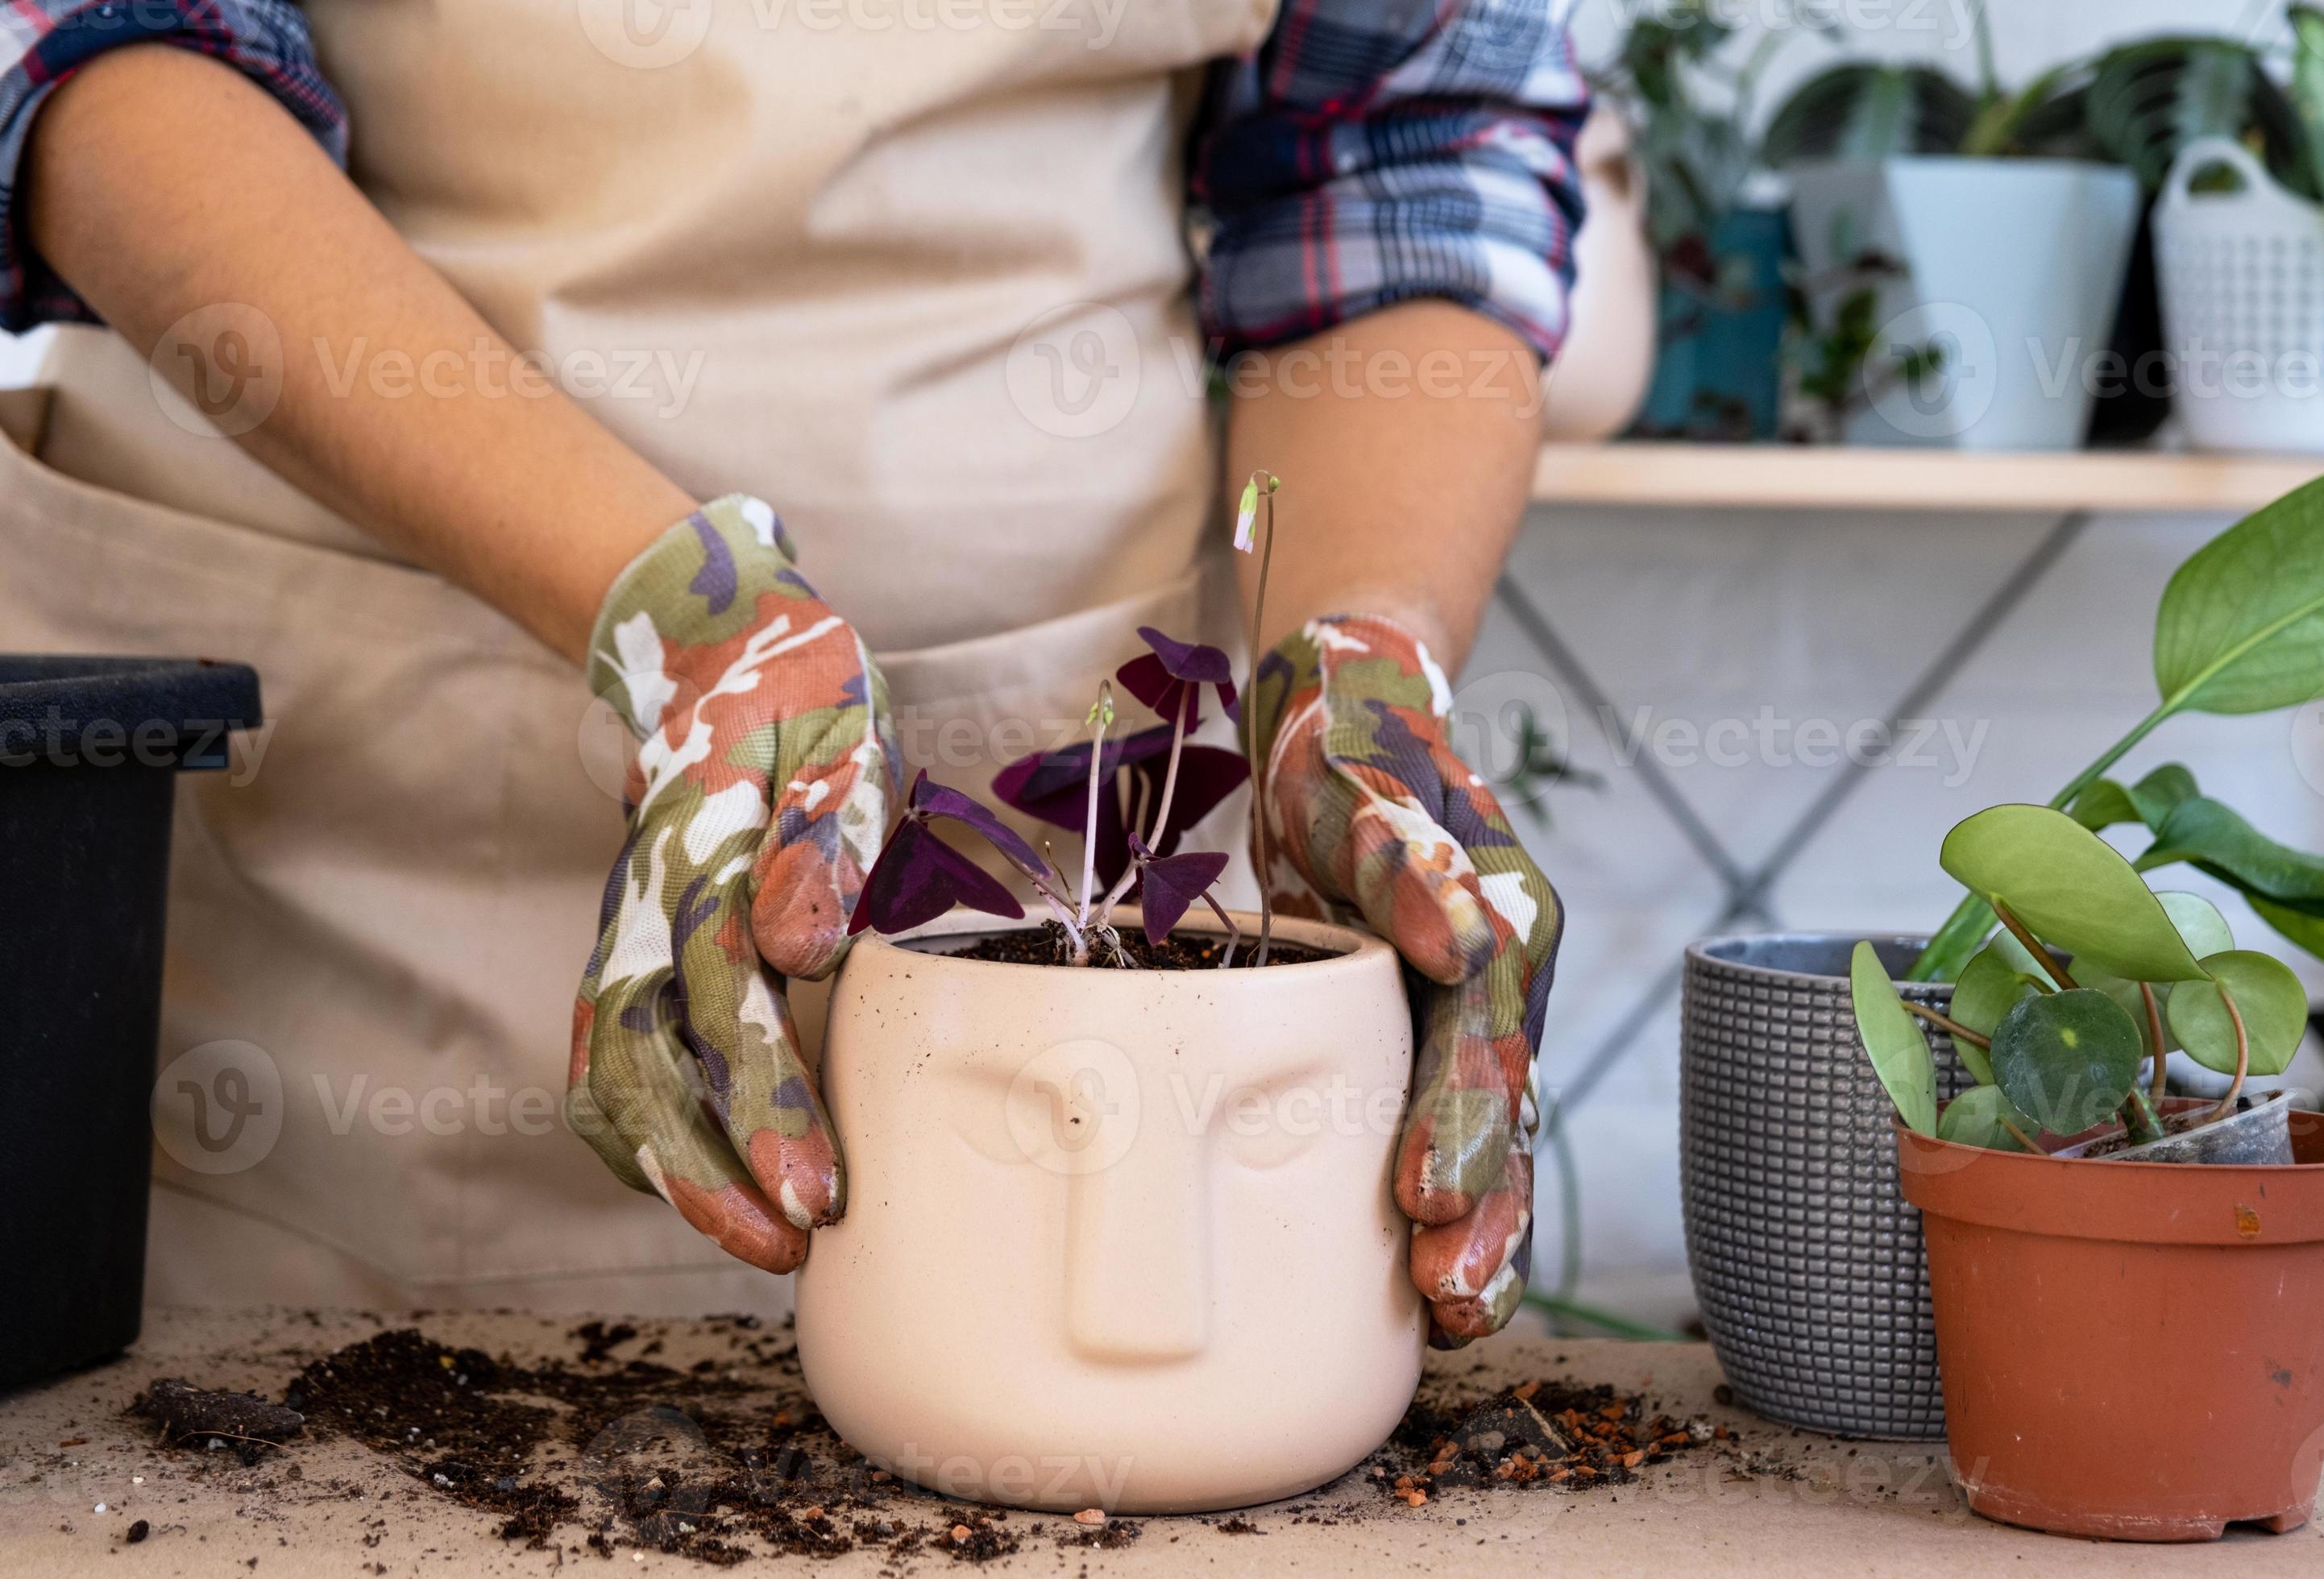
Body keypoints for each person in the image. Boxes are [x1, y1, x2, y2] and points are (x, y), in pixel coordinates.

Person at [1, 0, 1577, 1345]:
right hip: (326, 752)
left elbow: (1400, 156)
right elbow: (91, 46)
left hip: (1058, 751)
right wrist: (680, 609)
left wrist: (1362, 638)